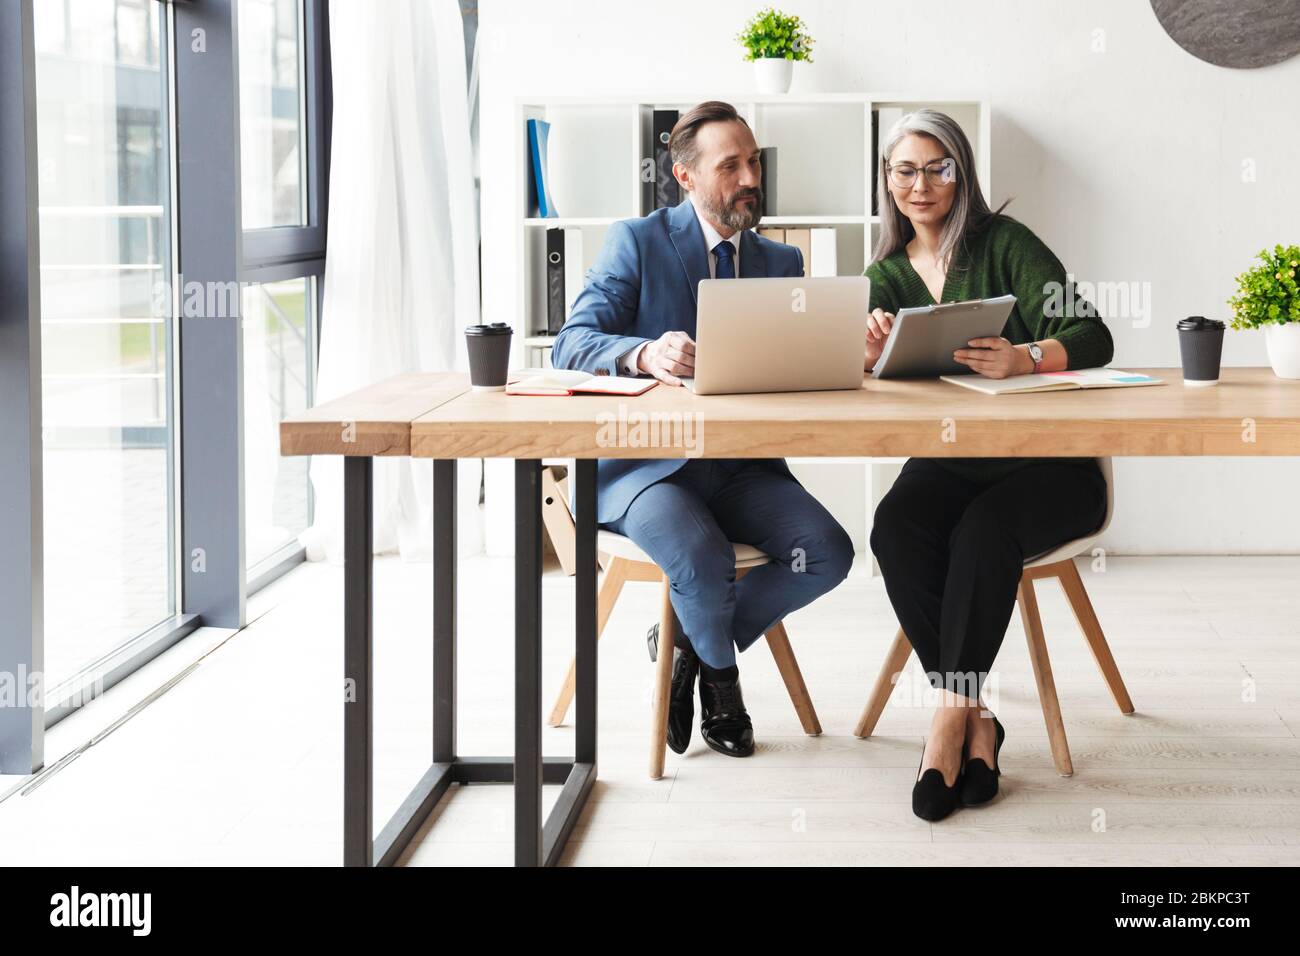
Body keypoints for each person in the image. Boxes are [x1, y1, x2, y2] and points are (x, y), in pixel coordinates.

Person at [552, 101, 854, 759]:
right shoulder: (636, 240)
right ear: (684, 177)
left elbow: (786, 371)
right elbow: (570, 344)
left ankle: (688, 639)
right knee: (701, 557)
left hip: (740, 469)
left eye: (754, 162)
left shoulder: (780, 263)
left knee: (830, 552)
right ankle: (724, 685)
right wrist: (643, 353)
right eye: (731, 166)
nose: (750, 177)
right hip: (643, 470)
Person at [863, 109, 1112, 820]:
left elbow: (1092, 334)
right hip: (952, 461)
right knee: (895, 526)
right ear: (888, 180)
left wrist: (1026, 357)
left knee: (982, 531)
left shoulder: (1005, 243)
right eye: (905, 169)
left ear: (961, 173)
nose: (920, 184)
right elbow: (866, 371)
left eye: (937, 168)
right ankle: (977, 716)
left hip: (1051, 466)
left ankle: (946, 721)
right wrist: (866, 346)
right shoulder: (883, 274)